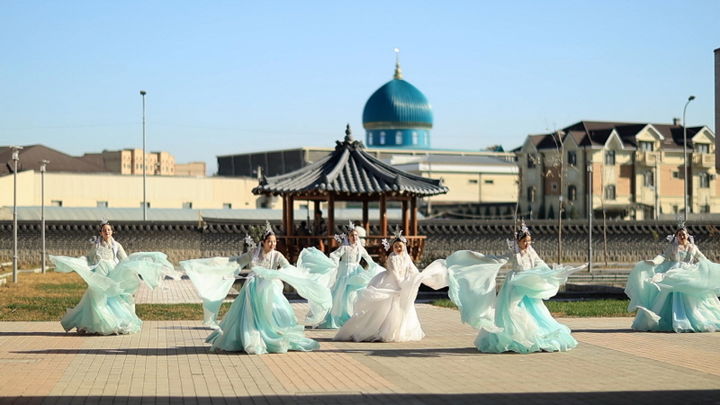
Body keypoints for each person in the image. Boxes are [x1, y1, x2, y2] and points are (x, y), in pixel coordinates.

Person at [180, 222, 332, 354]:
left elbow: (287, 267)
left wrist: (277, 273)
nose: (272, 244)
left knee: (274, 312)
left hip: (270, 288)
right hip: (252, 288)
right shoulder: (254, 253)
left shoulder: (277, 255)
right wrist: (222, 268)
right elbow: (238, 261)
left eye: (274, 242)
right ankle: (247, 339)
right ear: (263, 242)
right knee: (248, 315)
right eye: (269, 241)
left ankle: (271, 336)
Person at [472, 224, 584, 353]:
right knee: (511, 310)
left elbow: (539, 263)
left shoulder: (531, 251)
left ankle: (535, 337)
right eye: (524, 241)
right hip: (514, 285)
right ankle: (513, 338)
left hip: (528, 284)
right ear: (518, 241)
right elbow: (500, 259)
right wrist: (481, 259)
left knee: (535, 309)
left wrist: (549, 274)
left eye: (529, 241)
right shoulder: (514, 252)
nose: (527, 244)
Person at [50, 221, 173, 335]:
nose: (107, 232)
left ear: (112, 231)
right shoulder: (96, 246)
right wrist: (80, 262)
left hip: (113, 273)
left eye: (109, 230)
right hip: (100, 274)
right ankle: (96, 324)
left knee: (114, 297)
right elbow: (89, 258)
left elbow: (125, 259)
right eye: (104, 230)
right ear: (100, 233)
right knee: (96, 298)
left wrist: (130, 269)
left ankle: (112, 323)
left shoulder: (116, 245)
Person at [334, 227, 435, 342]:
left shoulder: (406, 257)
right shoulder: (392, 258)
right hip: (391, 282)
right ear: (392, 247)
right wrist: (401, 284)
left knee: (403, 305)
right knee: (387, 306)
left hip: (402, 282)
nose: (398, 249)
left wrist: (417, 276)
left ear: (404, 246)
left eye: (400, 246)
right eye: (396, 246)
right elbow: (394, 272)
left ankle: (399, 331)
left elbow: (412, 268)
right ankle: (383, 330)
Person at [625, 223, 720, 332]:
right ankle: (670, 320)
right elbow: (664, 256)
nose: (682, 236)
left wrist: (709, 266)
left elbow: (702, 258)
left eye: (683, 234)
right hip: (674, 271)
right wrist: (654, 261)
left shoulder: (693, 247)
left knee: (693, 294)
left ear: (687, 235)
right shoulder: (673, 247)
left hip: (689, 273)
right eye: (679, 235)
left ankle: (692, 319)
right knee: (667, 291)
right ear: (676, 236)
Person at [297, 220, 382, 329]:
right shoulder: (344, 247)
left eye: (356, 235)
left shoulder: (360, 248)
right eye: (352, 235)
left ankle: (353, 315)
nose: (354, 237)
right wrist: (334, 264)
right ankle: (339, 316)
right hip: (344, 271)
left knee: (354, 293)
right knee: (340, 294)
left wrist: (374, 266)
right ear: (348, 237)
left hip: (355, 271)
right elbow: (334, 255)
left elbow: (368, 258)